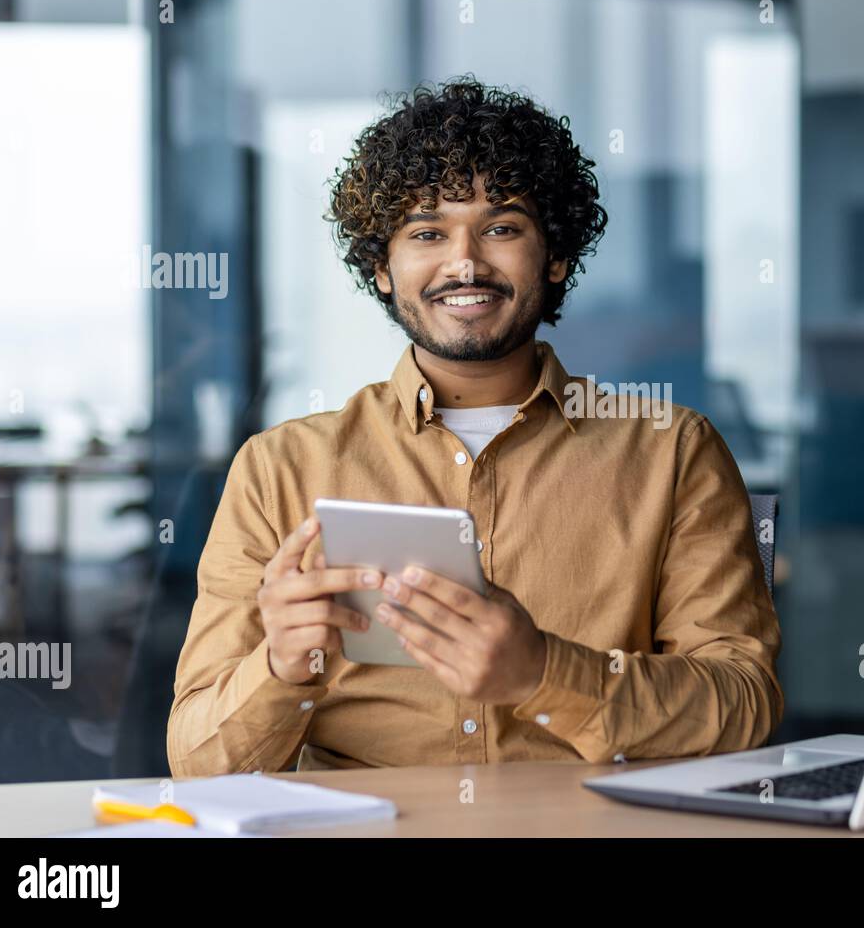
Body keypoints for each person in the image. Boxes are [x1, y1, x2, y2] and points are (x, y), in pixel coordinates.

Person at [167, 77, 782, 775]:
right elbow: (196, 760)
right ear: (381, 269)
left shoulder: (674, 451)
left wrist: (545, 673)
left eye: (502, 227)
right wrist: (281, 666)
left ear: (554, 257)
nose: (465, 261)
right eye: (427, 232)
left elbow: (743, 701)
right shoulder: (278, 469)